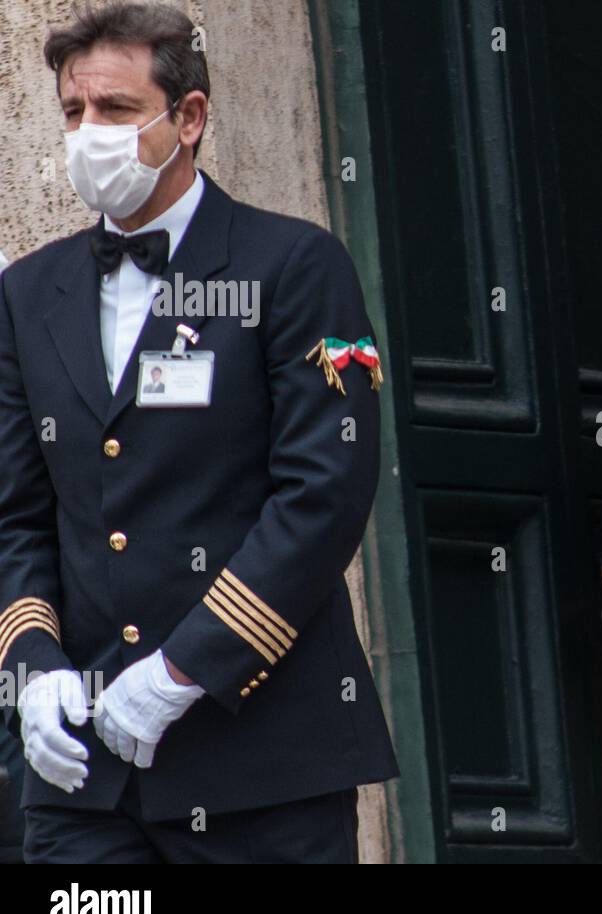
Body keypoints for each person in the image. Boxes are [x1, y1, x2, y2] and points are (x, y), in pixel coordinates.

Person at [0, 1, 397, 863]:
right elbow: (18, 514)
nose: (87, 134)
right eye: (73, 111)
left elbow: (324, 494)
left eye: (114, 109)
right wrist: (31, 666)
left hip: (259, 761)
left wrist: (184, 667)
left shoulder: (292, 264)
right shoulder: (28, 293)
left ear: (189, 118)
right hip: (85, 782)